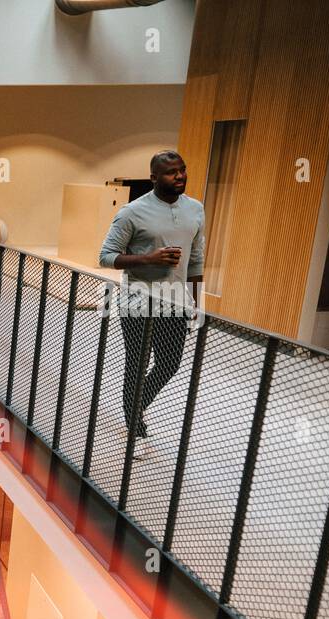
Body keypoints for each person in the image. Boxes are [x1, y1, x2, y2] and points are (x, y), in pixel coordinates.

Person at [99, 150, 205, 462]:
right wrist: (148, 258)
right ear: (154, 178)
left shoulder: (196, 209)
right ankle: (136, 427)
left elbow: (196, 257)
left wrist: (195, 301)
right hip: (137, 301)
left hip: (176, 302)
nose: (180, 176)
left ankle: (134, 405)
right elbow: (105, 256)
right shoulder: (132, 212)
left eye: (182, 170)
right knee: (138, 363)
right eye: (172, 172)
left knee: (170, 363)